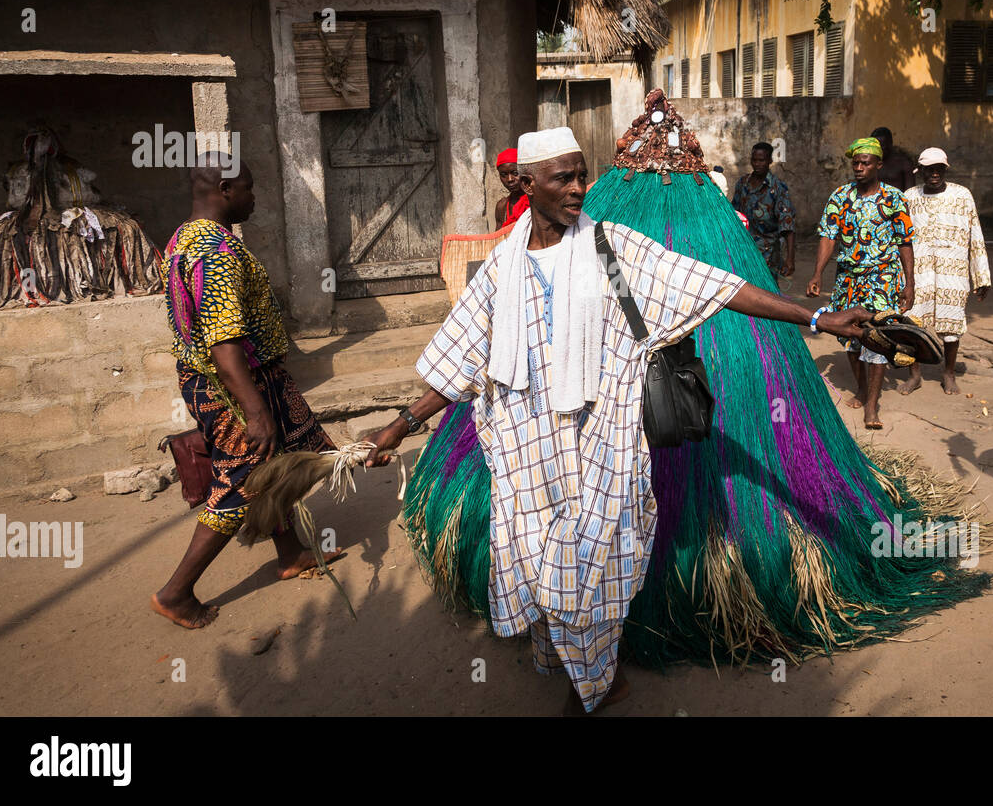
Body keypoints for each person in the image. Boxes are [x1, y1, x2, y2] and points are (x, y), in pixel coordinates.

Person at [364, 125, 874, 714]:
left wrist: (817, 318)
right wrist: (402, 423)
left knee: (589, 569)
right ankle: (570, 662)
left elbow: (716, 287)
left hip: (600, 448)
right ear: (526, 184)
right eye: (564, 178)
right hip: (526, 453)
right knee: (537, 559)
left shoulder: (611, 248)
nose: (580, 187)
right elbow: (462, 359)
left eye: (583, 173)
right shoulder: (501, 269)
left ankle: (602, 685)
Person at [151, 151, 342, 629]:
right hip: (234, 385)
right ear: (225, 190)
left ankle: (291, 553)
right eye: (250, 188)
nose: (255, 197)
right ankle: (176, 593)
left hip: (239, 379)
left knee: (277, 465)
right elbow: (225, 342)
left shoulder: (181, 240)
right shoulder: (216, 255)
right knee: (239, 482)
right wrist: (255, 411)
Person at [808, 137, 914, 430]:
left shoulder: (894, 198)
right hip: (848, 279)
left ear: (878, 165)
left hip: (883, 277)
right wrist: (817, 274)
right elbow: (828, 236)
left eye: (865, 163)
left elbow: (905, 241)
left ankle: (871, 405)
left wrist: (910, 283)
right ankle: (862, 387)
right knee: (852, 336)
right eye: (855, 162)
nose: (858, 168)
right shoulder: (840, 197)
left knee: (879, 336)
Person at [900, 147, 992, 396]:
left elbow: (976, 236)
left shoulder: (962, 196)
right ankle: (914, 375)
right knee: (911, 323)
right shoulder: (909, 197)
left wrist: (981, 276)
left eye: (939, 169)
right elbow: (901, 240)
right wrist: (901, 277)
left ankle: (948, 374)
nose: (935, 174)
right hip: (919, 273)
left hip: (954, 272)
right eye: (930, 170)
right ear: (921, 172)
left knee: (951, 325)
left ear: (945, 170)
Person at [731, 142, 796, 278]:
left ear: (770, 161)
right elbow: (733, 215)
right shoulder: (743, 184)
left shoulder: (778, 188)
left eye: (762, 160)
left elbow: (787, 226)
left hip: (768, 255)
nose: (757, 164)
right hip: (743, 251)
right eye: (754, 160)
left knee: (766, 293)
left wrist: (790, 259)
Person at [872, 126, 916, 193]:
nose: (878, 150)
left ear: (890, 143)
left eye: (882, 146)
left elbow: (910, 192)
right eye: (875, 147)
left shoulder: (903, 163)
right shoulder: (871, 163)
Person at [493, 147, 527, 229]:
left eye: (515, 173)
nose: (510, 179)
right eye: (504, 175)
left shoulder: (535, 201)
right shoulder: (502, 207)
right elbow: (499, 239)